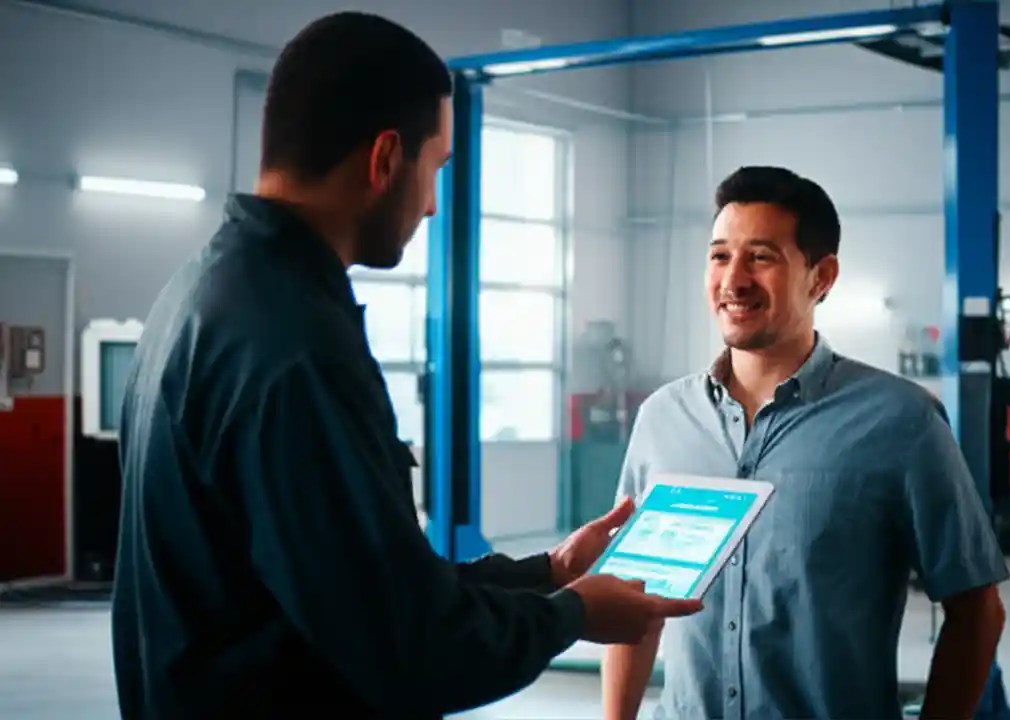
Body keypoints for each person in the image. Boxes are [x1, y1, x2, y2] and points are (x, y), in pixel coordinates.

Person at [111, 12, 701, 719]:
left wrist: (549, 572)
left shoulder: (199, 297)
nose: (430, 206)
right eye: (436, 170)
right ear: (386, 158)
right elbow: (411, 647)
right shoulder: (297, 348)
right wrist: (574, 614)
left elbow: (360, 585)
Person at [601, 166, 1009, 720]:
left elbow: (976, 609)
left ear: (822, 277)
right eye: (720, 256)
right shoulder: (663, 419)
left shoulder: (900, 422)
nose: (733, 280)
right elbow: (633, 599)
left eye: (761, 257)